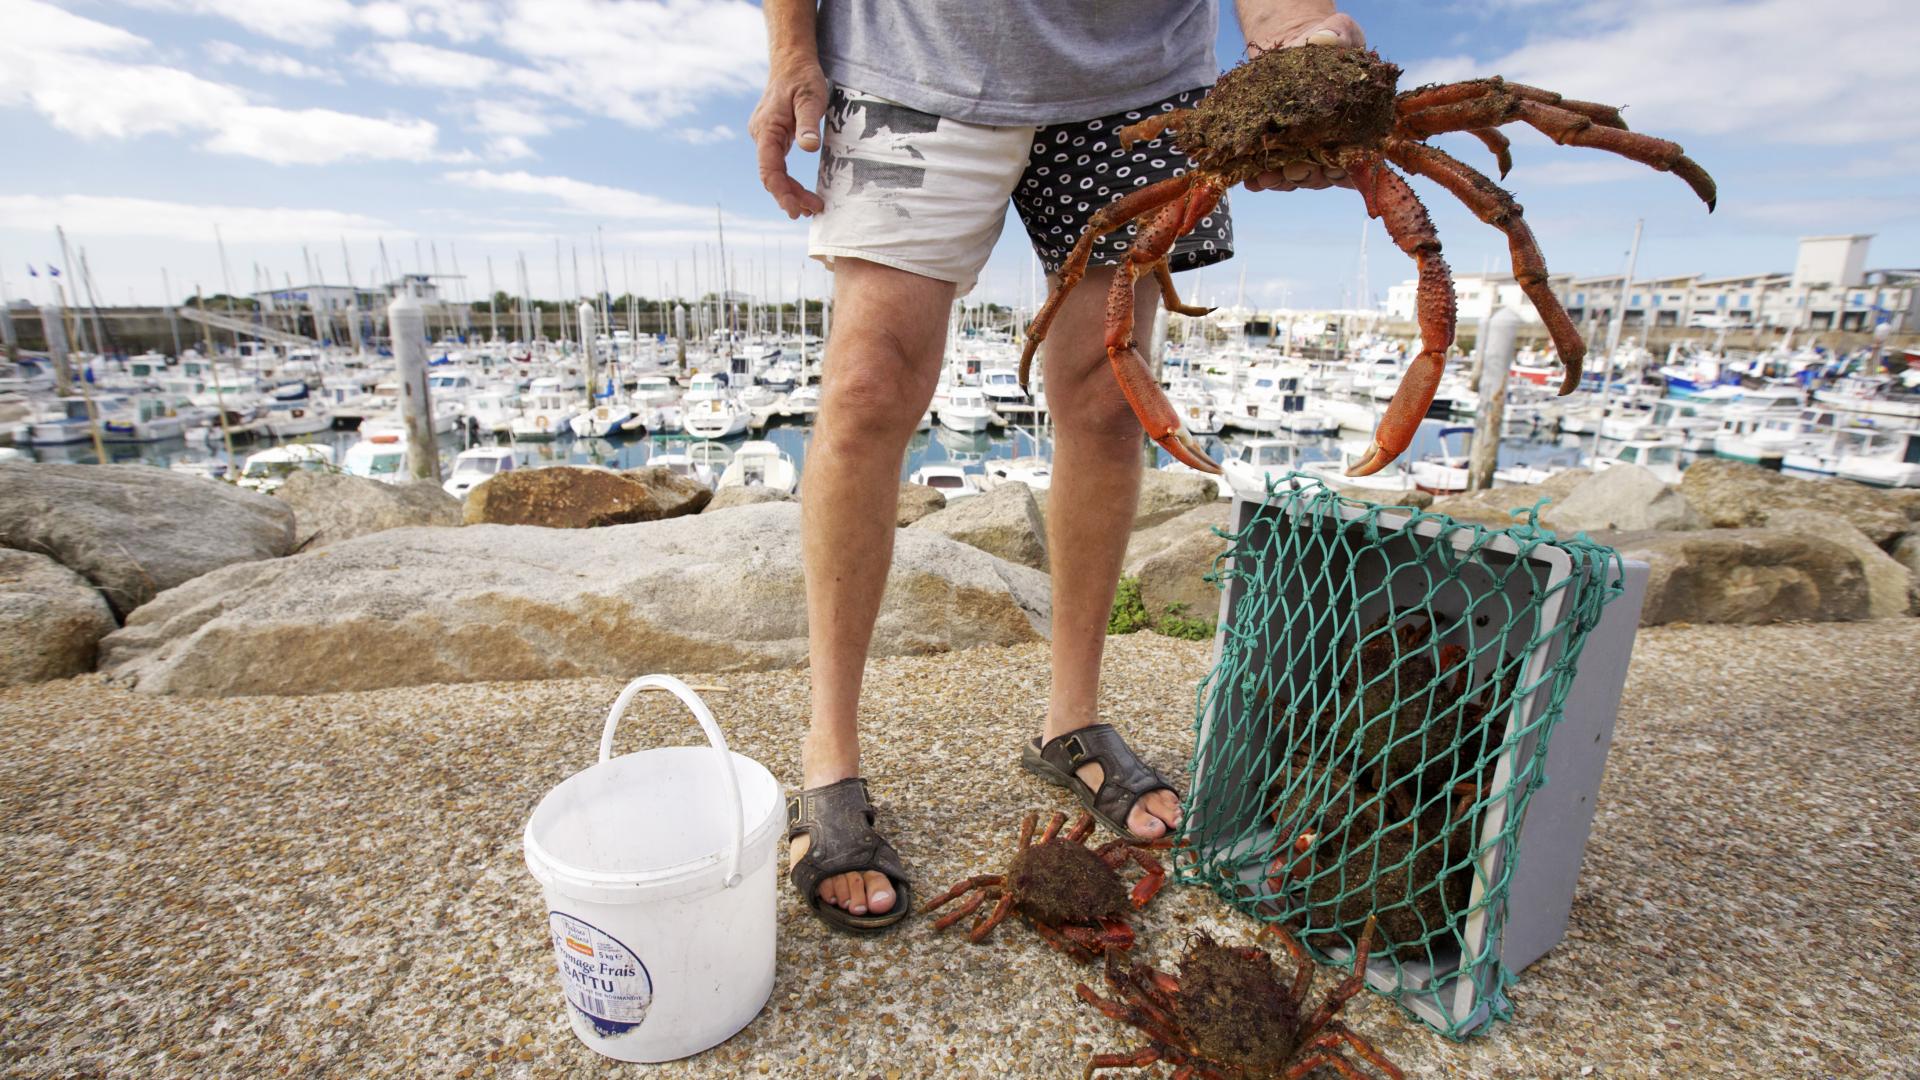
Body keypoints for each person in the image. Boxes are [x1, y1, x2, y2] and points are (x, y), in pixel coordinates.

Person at [751, 0, 1363, 934]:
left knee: (1110, 397)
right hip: (912, 58)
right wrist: (793, 46)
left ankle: (1071, 719)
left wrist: (1297, 32)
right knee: (867, 388)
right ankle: (829, 751)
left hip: (1139, 85)